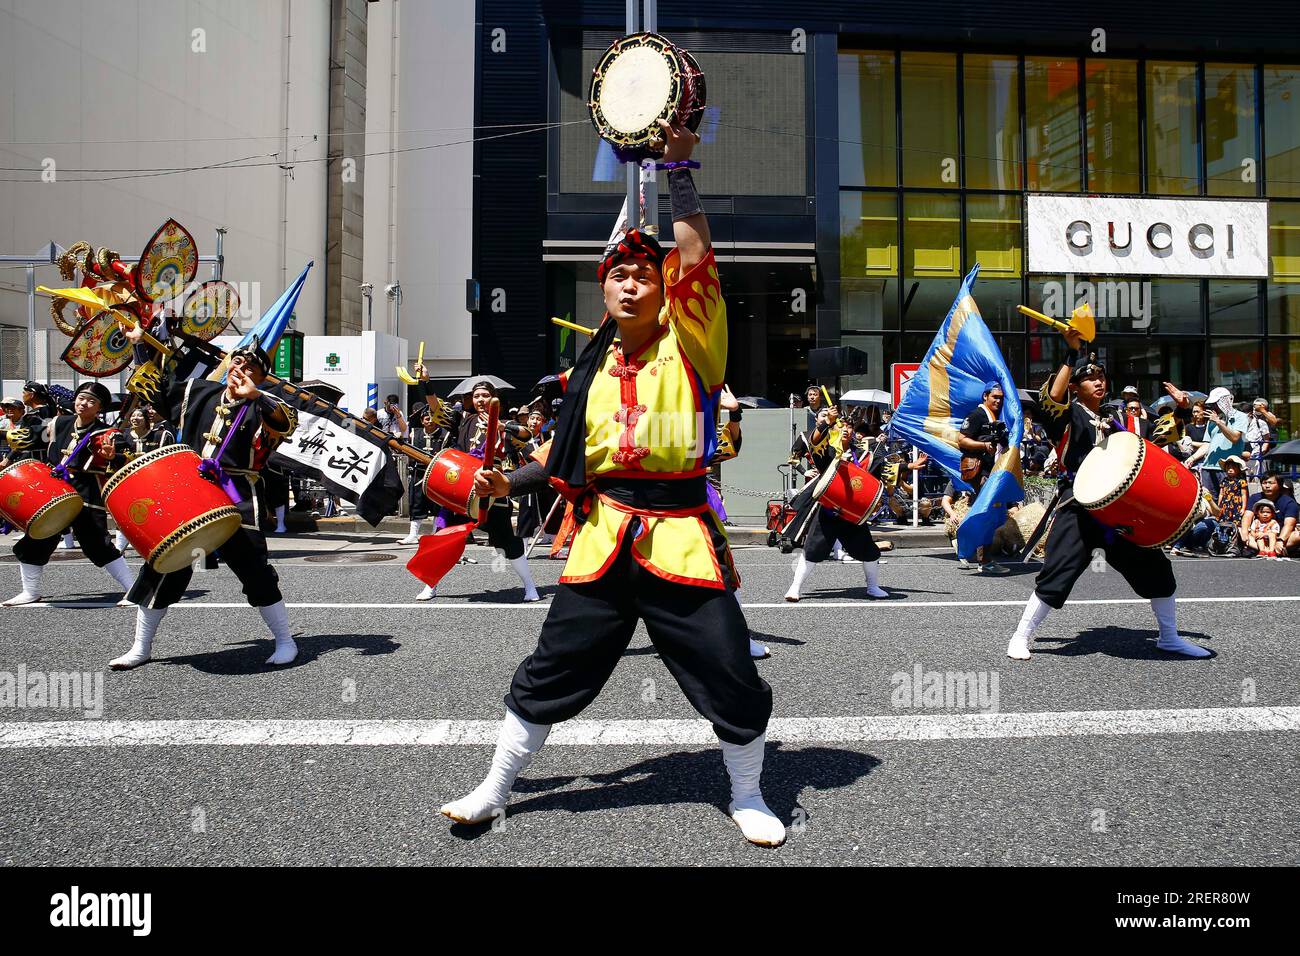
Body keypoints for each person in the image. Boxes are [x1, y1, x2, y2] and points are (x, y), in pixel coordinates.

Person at [443, 119, 784, 846]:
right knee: (551, 664)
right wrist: (509, 481)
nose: (631, 282)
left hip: (683, 538)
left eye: (644, 273)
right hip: (602, 539)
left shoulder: (694, 340)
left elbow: (694, 256)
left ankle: (748, 793)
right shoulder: (589, 369)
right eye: (617, 275)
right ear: (605, 291)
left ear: (664, 288)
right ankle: (496, 789)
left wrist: (678, 169)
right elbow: (574, 463)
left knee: (728, 671)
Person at [1005, 328, 1209, 660]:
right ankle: (1021, 637)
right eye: (1090, 378)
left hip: (1119, 510)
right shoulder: (1068, 416)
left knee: (1156, 569)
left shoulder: (1114, 418)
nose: (1099, 382)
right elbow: (1052, 398)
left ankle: (1169, 637)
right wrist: (1071, 354)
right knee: (1057, 573)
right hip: (1080, 507)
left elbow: (1151, 444)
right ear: (1075, 387)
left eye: (1101, 376)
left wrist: (1182, 412)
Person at [108, 333, 300, 669]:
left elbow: (286, 422)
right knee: (165, 563)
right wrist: (140, 343)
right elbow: (155, 387)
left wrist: (257, 396)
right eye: (236, 362)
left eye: (251, 366)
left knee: (254, 569)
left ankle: (285, 641)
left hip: (237, 492)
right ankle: (141, 646)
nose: (241, 368)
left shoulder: (264, 405)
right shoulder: (198, 391)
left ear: (260, 377)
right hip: (190, 490)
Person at [3, 382, 136, 607]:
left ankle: (133, 590)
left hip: (86, 494)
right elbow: (36, 435)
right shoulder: (59, 423)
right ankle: (30, 591)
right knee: (36, 539)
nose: (84, 403)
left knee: (97, 544)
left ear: (99, 408)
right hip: (54, 492)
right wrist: (22, 436)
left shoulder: (107, 433)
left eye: (91, 401)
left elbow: (127, 458)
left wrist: (113, 457)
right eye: (81, 398)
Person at [416, 377, 540, 603]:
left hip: (492, 489)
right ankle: (430, 585)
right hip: (462, 487)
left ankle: (529, 586)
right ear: (471, 401)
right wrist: (425, 382)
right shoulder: (463, 420)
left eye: (485, 395)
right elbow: (436, 408)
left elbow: (527, 435)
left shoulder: (505, 425)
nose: (480, 399)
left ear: (495, 399)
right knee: (445, 538)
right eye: (476, 396)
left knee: (506, 541)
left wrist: (504, 427)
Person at [783, 413, 891, 602]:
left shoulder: (863, 454)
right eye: (840, 427)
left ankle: (873, 586)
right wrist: (826, 422)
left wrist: (910, 465)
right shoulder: (828, 452)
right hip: (828, 508)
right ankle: (795, 587)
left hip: (852, 511)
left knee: (868, 550)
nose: (845, 430)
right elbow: (814, 443)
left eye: (848, 427)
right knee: (812, 549)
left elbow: (874, 475)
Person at [1171, 455, 1250, 556]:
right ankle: (1177, 546)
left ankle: (1226, 546)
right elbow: (1221, 494)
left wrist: (1210, 500)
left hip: (1233, 506)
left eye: (1196, 475)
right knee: (1188, 522)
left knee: (1214, 523)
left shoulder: (1240, 482)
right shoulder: (1224, 481)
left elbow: (1216, 512)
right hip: (1181, 527)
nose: (1230, 470)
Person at [1199, 386, 1249, 498]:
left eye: (1215, 404)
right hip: (1208, 467)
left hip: (1229, 468)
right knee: (1209, 502)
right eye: (1212, 404)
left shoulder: (1240, 417)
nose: (1213, 407)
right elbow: (1207, 444)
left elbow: (1235, 438)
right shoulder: (1211, 421)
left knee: (1230, 501)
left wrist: (1218, 422)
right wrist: (1191, 459)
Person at [1240, 473, 1298, 558]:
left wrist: (1280, 540)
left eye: (1271, 483)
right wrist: (1244, 532)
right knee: (1239, 530)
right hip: (1258, 536)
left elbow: (1289, 524)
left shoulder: (1289, 502)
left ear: (1279, 485)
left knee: (1297, 535)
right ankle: (1268, 550)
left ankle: (1269, 549)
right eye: (1264, 483)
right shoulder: (1255, 498)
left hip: (1279, 536)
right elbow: (1247, 516)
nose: (1267, 486)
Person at [1244, 398, 1277, 478]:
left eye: (1259, 405)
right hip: (1252, 448)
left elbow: (1274, 421)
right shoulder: (1251, 416)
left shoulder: (1267, 414)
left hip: (1266, 447)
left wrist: (1262, 410)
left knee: (1263, 473)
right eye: (1255, 405)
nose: (1256, 407)